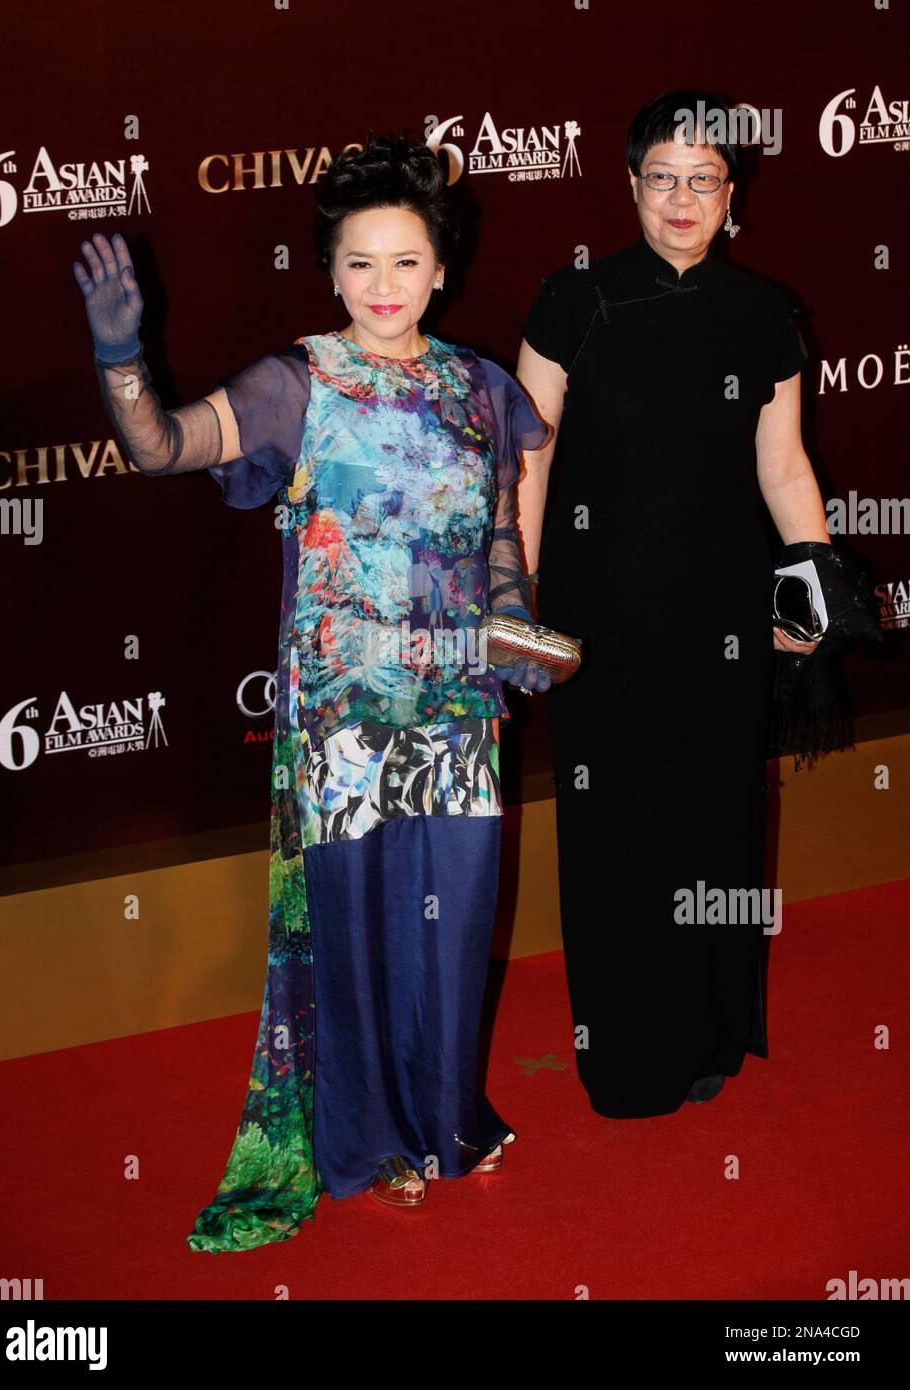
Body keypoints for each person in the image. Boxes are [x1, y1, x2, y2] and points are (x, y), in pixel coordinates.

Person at [73, 134, 552, 1250]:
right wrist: (121, 357)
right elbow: (161, 446)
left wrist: (515, 624)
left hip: (456, 711)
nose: (385, 286)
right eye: (361, 263)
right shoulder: (297, 384)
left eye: (406, 261)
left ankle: (448, 1117)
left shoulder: (481, 389)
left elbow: (497, 537)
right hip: (342, 718)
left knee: (454, 925)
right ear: (330, 271)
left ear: (441, 268)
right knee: (361, 932)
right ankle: (371, 1139)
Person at [514, 89, 834, 1120]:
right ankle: (626, 1055)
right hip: (599, 615)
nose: (682, 199)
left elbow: (784, 468)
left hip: (722, 615)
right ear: (630, 185)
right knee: (617, 827)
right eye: (663, 178)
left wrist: (810, 586)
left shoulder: (762, 314)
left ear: (732, 194)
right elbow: (529, 462)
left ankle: (709, 1031)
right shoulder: (573, 301)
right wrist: (517, 594)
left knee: (715, 818)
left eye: (704, 179)